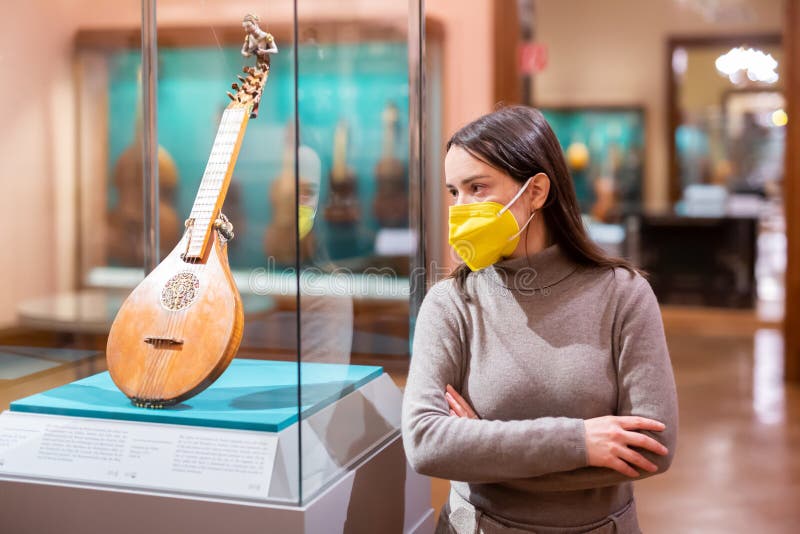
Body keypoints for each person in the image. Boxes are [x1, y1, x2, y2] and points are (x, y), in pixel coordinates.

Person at [401, 106, 678, 533]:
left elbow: (652, 447)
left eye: (478, 187)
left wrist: (484, 445)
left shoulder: (624, 294)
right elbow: (425, 444)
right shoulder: (450, 303)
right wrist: (582, 443)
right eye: (454, 192)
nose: (461, 208)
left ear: (536, 191)